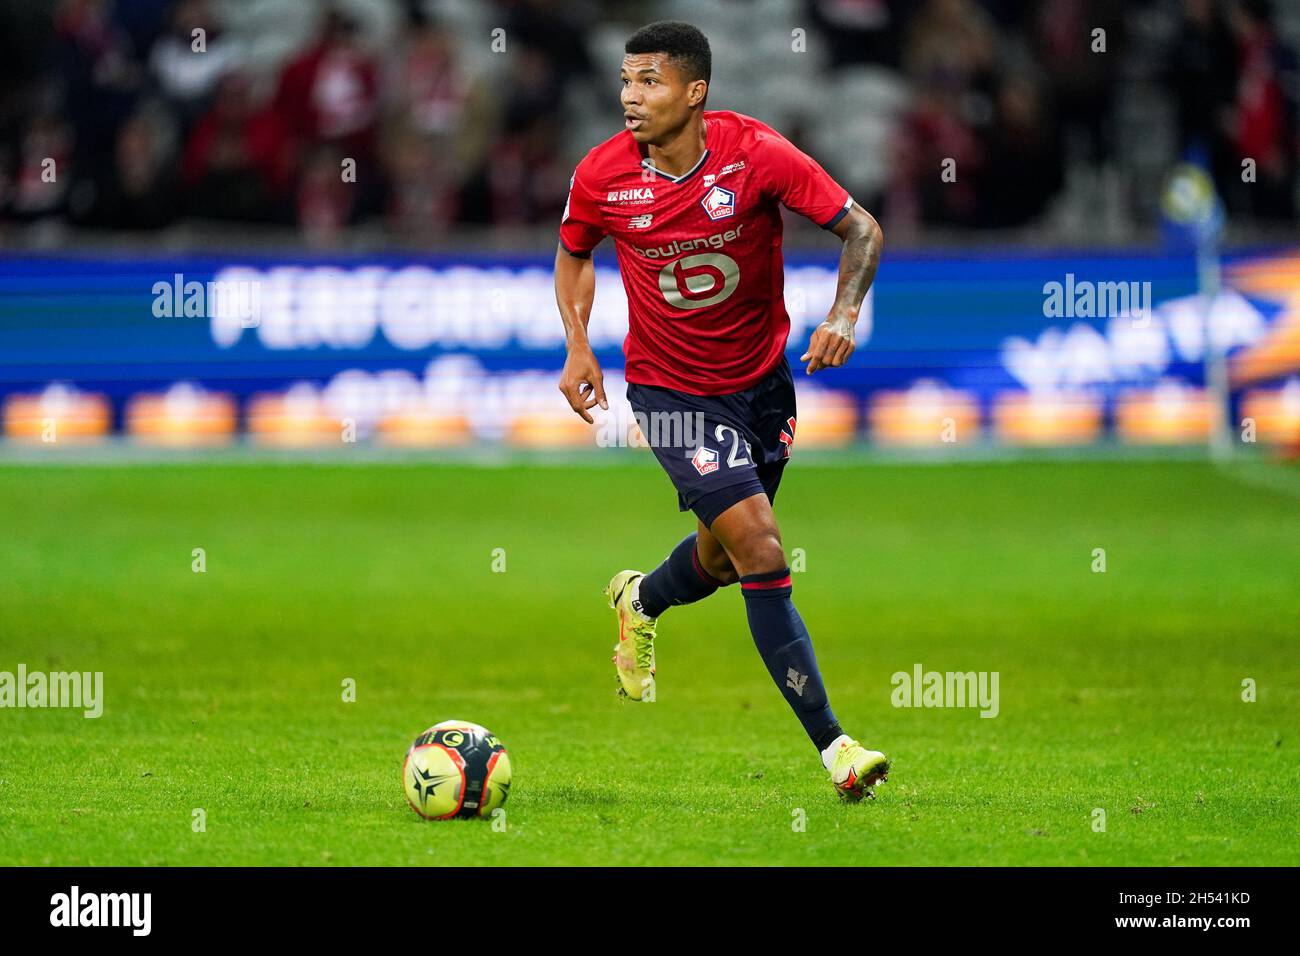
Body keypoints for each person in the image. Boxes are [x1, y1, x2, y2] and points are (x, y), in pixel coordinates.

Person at [553, 21, 888, 800]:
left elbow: (861, 230)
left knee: (720, 557)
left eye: (651, 82)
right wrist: (577, 346)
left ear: (694, 92)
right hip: (671, 395)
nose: (631, 98)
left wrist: (843, 313)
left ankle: (640, 599)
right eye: (626, 81)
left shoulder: (756, 154)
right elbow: (574, 254)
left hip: (764, 386)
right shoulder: (602, 174)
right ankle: (836, 747)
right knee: (763, 549)